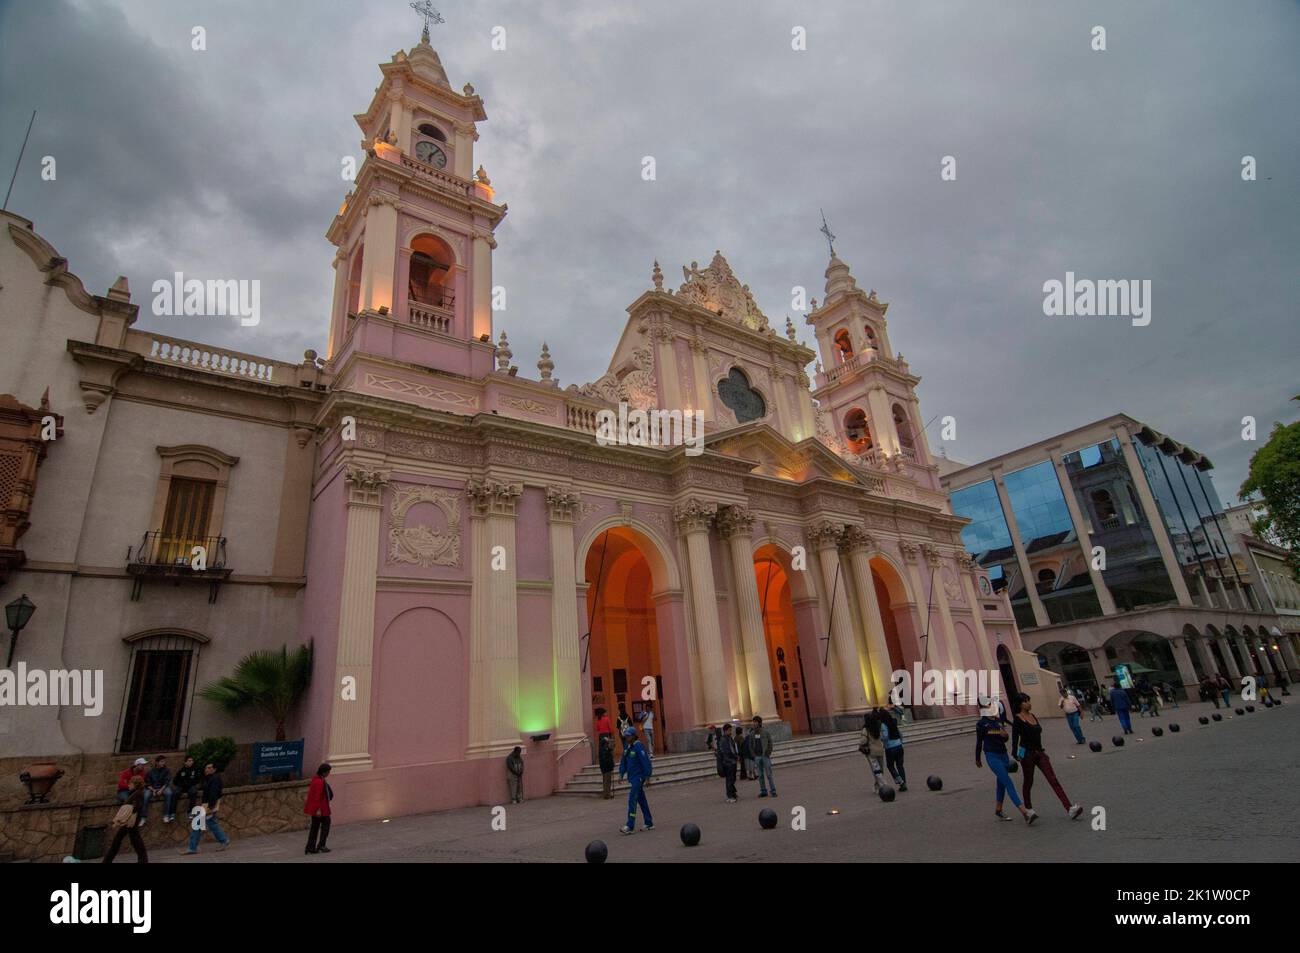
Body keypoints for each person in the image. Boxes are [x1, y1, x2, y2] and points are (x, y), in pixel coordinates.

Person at [1012, 693, 1082, 820]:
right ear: (1020, 704)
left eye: (1029, 700)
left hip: (1040, 752)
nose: (1029, 703)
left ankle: (1070, 808)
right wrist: (1016, 754)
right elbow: (1015, 738)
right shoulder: (1017, 719)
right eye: (1025, 701)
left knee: (1053, 780)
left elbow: (1037, 734)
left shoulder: (1032, 716)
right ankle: (1028, 810)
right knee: (1028, 781)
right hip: (1027, 754)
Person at [975, 705, 1036, 825]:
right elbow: (979, 741)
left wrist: (1005, 736)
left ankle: (998, 809)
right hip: (992, 756)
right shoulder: (981, 723)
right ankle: (1025, 812)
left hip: (1003, 755)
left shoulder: (998, 721)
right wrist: (977, 758)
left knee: (1001, 783)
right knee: (1008, 781)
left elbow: (1004, 738)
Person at [180, 762, 230, 855]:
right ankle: (224, 840)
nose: (206, 769)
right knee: (211, 824)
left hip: (209, 806)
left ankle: (192, 847)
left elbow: (214, 794)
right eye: (206, 767)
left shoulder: (214, 779)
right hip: (207, 805)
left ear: (214, 770)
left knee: (198, 824)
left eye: (209, 768)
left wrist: (210, 807)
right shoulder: (209, 779)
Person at [103, 774, 148, 863]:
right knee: (133, 841)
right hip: (130, 821)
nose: (128, 785)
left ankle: (143, 860)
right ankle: (143, 860)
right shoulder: (135, 793)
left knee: (128, 841)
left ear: (135, 784)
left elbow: (136, 807)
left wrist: (127, 813)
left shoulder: (137, 793)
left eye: (130, 783)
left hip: (130, 822)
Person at [618, 726, 654, 834]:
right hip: (632, 777)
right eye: (626, 736)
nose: (626, 738)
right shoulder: (627, 747)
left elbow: (645, 762)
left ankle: (630, 825)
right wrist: (621, 774)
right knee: (641, 800)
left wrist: (647, 777)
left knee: (632, 799)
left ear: (633, 736)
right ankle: (649, 822)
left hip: (638, 778)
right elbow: (623, 761)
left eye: (628, 736)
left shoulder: (638, 747)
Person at [304, 762, 333, 854]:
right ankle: (321, 845)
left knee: (314, 828)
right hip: (321, 810)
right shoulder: (319, 782)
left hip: (317, 810)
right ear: (324, 772)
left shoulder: (316, 779)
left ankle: (310, 847)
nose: (329, 773)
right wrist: (319, 810)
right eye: (328, 771)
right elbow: (317, 797)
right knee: (325, 827)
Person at [878, 707, 907, 791]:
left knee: (890, 766)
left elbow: (886, 736)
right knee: (900, 765)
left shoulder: (884, 725)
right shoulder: (893, 722)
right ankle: (904, 782)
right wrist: (900, 742)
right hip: (899, 746)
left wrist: (881, 739)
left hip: (890, 748)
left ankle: (900, 782)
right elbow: (900, 734)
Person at [750, 715, 777, 798]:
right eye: (753, 722)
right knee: (760, 775)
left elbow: (770, 743)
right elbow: (750, 745)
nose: (754, 724)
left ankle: (773, 791)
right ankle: (763, 791)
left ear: (759, 723)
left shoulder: (765, 732)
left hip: (765, 756)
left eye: (755, 722)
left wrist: (768, 753)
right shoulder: (752, 734)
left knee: (769, 774)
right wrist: (754, 755)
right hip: (757, 757)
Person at [858, 711, 886, 793]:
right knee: (880, 769)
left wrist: (860, 744)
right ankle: (877, 786)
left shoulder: (866, 729)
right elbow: (883, 737)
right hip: (880, 750)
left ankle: (883, 786)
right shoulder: (878, 727)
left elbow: (863, 741)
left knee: (876, 770)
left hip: (871, 752)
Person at [145, 755, 175, 822]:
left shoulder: (166, 770)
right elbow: (147, 783)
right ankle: (143, 817)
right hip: (152, 788)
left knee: (169, 793)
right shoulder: (151, 771)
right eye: (161, 761)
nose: (163, 763)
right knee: (146, 795)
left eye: (164, 761)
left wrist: (161, 790)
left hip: (163, 787)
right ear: (156, 762)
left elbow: (167, 782)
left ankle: (166, 815)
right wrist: (153, 790)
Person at [718, 723, 740, 802]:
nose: (731, 732)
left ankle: (733, 793)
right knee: (730, 779)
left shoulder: (729, 738)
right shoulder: (723, 740)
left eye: (731, 730)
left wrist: (736, 756)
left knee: (733, 778)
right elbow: (727, 751)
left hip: (732, 762)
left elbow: (734, 748)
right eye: (729, 730)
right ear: (725, 731)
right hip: (728, 762)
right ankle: (730, 795)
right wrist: (735, 756)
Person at [598, 734, 616, 799]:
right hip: (606, 767)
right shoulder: (604, 749)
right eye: (607, 741)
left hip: (606, 767)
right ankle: (606, 794)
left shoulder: (604, 748)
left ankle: (607, 793)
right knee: (607, 781)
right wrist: (611, 765)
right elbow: (606, 759)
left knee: (607, 781)